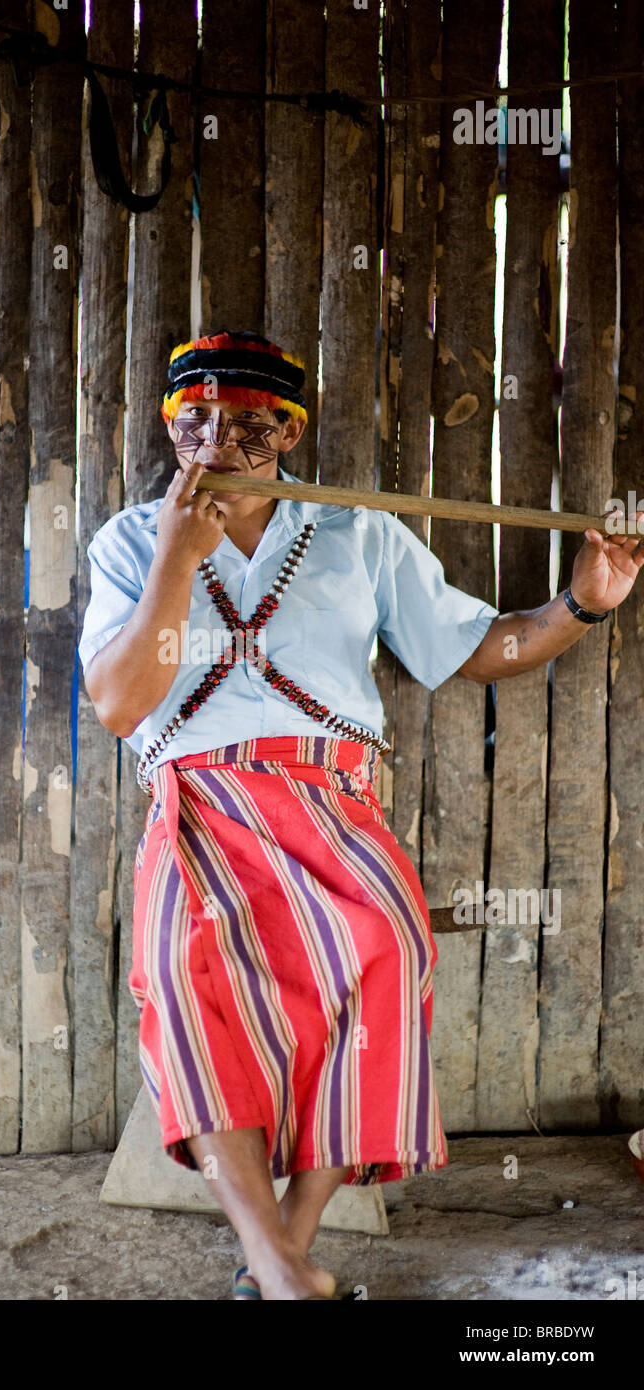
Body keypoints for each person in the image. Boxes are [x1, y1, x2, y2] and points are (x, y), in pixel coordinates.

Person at [78, 330, 644, 1300]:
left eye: (250, 424)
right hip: (200, 804)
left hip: (332, 803)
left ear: (289, 432)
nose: (220, 440)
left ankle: (287, 1249)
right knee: (184, 977)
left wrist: (583, 604)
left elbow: (479, 645)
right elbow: (123, 703)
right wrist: (180, 550)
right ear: (174, 430)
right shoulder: (133, 540)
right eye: (197, 421)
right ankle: (277, 1264)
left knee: (387, 951)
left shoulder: (358, 534)